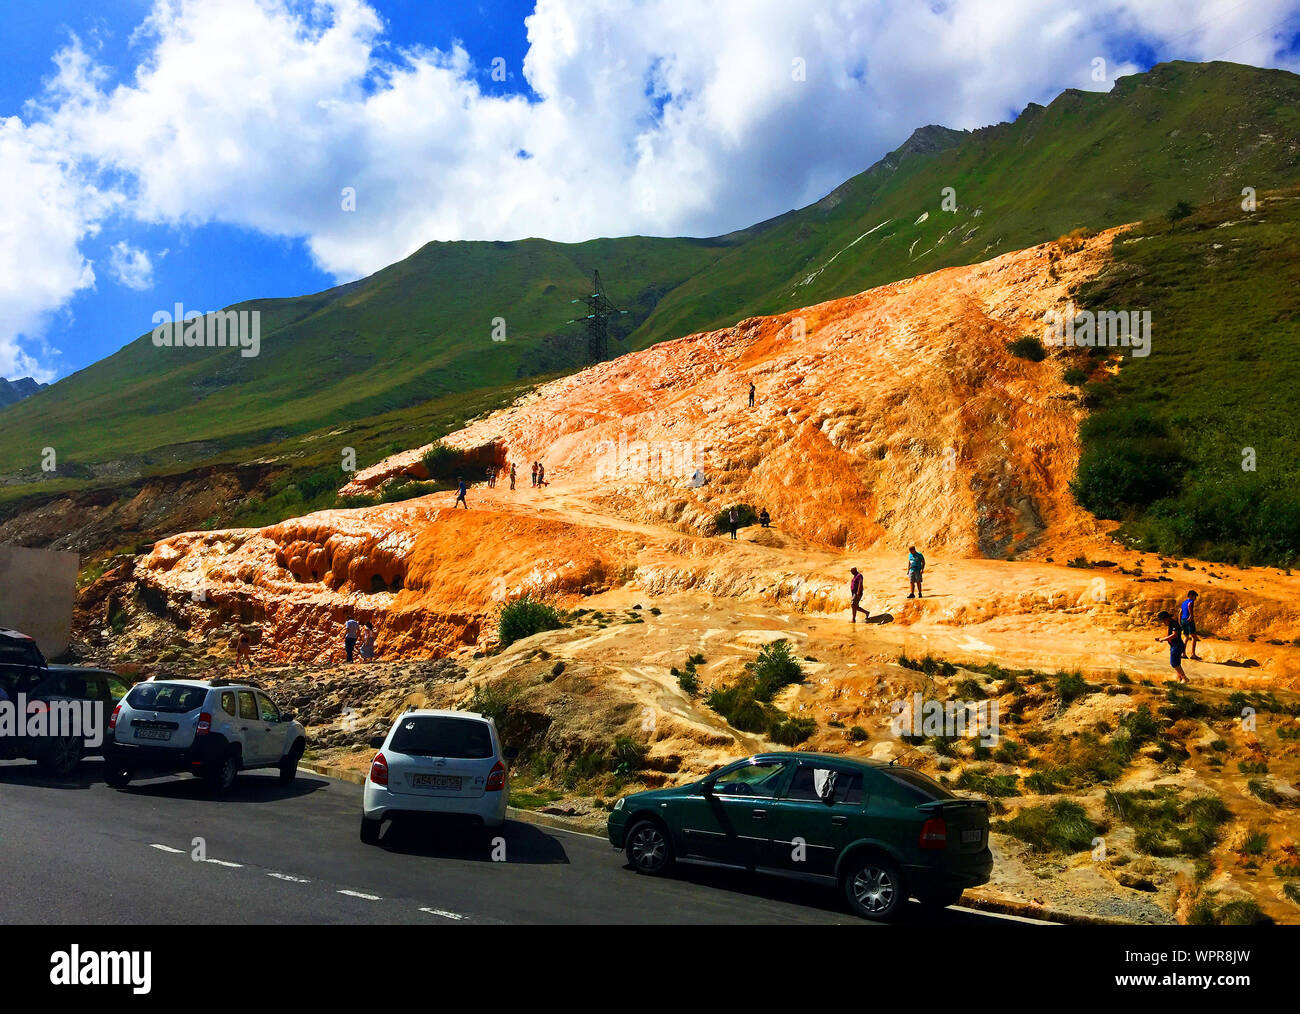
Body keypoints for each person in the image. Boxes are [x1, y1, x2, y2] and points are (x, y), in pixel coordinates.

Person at [1156, 610, 1190, 684]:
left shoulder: (1174, 624)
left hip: (1177, 646)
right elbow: (1171, 635)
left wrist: (1163, 639)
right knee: (1177, 663)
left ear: (1167, 618)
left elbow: (1175, 635)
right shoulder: (1171, 624)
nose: (1164, 623)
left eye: (1163, 621)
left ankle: (1185, 678)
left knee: (1174, 663)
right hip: (1176, 645)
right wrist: (1161, 638)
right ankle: (1179, 679)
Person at [1180, 590, 1200, 660]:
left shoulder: (1183, 602)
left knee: (1186, 637)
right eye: (1195, 596)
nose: (1195, 598)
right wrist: (1191, 615)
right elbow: (1189, 605)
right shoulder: (1191, 602)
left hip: (1183, 620)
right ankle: (1193, 654)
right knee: (1194, 636)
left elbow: (1180, 612)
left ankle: (1183, 653)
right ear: (1191, 595)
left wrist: (1179, 621)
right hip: (1189, 620)